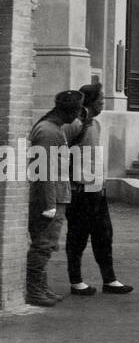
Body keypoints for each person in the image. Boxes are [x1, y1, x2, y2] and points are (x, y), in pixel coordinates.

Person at [66, 82, 132, 296]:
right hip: (79, 191)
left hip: (96, 190)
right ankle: (76, 281)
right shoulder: (75, 125)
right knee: (77, 237)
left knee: (103, 234)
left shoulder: (95, 124)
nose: (103, 102)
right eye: (101, 99)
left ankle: (109, 280)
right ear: (91, 101)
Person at [27, 90, 84, 306]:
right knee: (43, 245)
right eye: (77, 111)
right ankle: (33, 290)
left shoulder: (54, 128)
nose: (78, 116)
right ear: (70, 111)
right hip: (49, 198)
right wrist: (49, 204)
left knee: (47, 245)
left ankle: (40, 286)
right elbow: (44, 170)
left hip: (56, 195)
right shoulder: (48, 131)